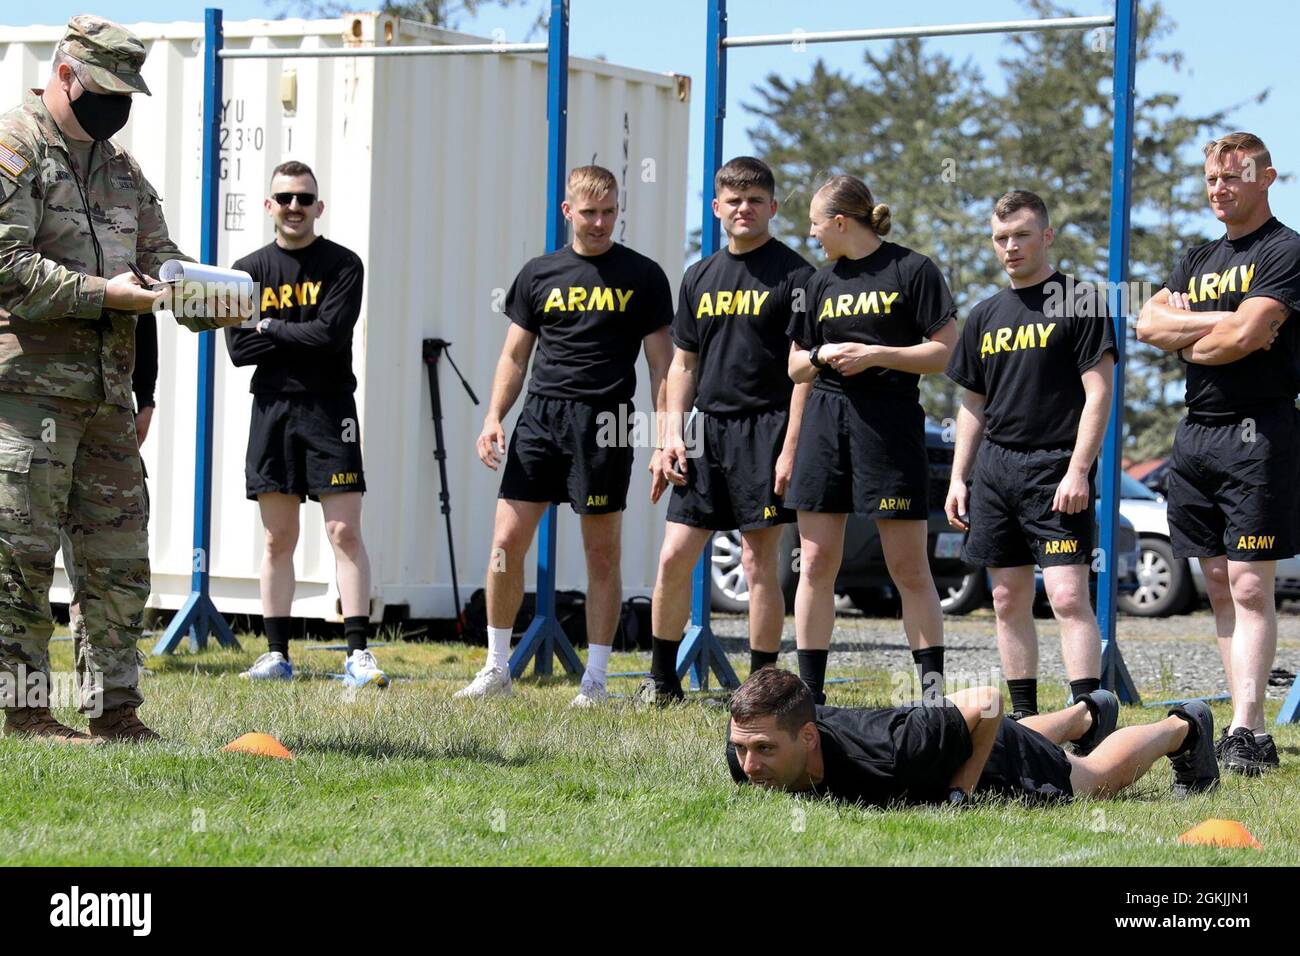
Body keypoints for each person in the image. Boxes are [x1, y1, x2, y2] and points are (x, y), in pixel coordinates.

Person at [0, 16, 232, 742]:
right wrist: (106, 293)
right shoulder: (15, 150)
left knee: (118, 560)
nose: (114, 107)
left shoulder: (121, 169)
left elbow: (161, 259)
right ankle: (25, 712)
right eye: (104, 89)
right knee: (21, 560)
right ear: (64, 72)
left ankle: (115, 712)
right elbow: (6, 267)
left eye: (125, 92)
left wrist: (212, 297)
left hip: (106, 398)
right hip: (28, 396)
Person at [458, 165, 674, 707]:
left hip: (606, 422)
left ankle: (596, 680)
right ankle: (495, 668)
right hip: (540, 419)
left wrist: (664, 435)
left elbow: (661, 365)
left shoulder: (643, 276)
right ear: (568, 212)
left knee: (601, 555)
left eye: (608, 212)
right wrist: (493, 419)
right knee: (505, 545)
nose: (599, 223)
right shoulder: (539, 273)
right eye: (589, 212)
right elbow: (514, 354)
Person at [1136, 131, 1300, 775]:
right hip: (1195, 433)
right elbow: (1148, 324)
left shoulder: (1285, 250)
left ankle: (1248, 729)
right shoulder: (1197, 256)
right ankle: (1241, 714)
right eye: (1211, 179)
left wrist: (1195, 332)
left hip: (1257, 432)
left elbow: (1251, 333)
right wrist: (1218, 326)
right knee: (1219, 588)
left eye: (1232, 177)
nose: (1219, 189)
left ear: (1267, 177)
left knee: (1253, 585)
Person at [641, 156, 813, 704]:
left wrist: (789, 447)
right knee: (673, 556)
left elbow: (805, 371)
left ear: (773, 208)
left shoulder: (797, 276)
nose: (744, 209)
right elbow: (681, 366)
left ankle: (759, 688)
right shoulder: (698, 275)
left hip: (766, 428)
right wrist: (669, 434)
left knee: (758, 560)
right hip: (703, 431)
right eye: (734, 201)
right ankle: (660, 679)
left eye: (755, 201)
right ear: (717, 208)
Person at [785, 174, 958, 704]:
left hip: (888, 424)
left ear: (840, 221)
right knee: (814, 564)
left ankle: (931, 696)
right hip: (825, 422)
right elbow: (793, 366)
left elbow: (944, 351)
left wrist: (876, 354)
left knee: (908, 566)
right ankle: (808, 696)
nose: (811, 234)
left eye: (815, 223)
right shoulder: (817, 282)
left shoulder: (912, 269)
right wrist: (821, 357)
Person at [944, 190, 1116, 720]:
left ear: (1046, 236)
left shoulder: (1081, 300)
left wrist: (1079, 470)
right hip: (996, 471)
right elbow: (972, 404)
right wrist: (959, 477)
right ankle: (1025, 719)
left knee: (1066, 596)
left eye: (1021, 235)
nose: (1011, 246)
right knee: (1005, 599)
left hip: (1056, 468)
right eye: (1001, 238)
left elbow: (1100, 391)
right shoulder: (983, 314)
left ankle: (1089, 716)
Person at [225, 161, 386, 689]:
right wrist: (297, 332)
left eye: (304, 198)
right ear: (269, 205)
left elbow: (332, 337)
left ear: (319, 207)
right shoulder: (244, 272)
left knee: (343, 530)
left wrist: (270, 326)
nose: (294, 207)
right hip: (272, 411)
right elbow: (239, 349)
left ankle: (358, 655)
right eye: (284, 198)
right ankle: (277, 655)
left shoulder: (344, 265)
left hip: (330, 409)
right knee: (278, 538)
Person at [725, 667, 1219, 806]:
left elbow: (987, 702)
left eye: (764, 750)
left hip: (983, 746)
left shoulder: (896, 752)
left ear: (808, 736)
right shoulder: (748, 747)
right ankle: (1085, 717)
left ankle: (1183, 727)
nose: (749, 766)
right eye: (743, 748)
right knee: (1004, 735)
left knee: (1091, 780)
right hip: (951, 737)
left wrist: (962, 788)